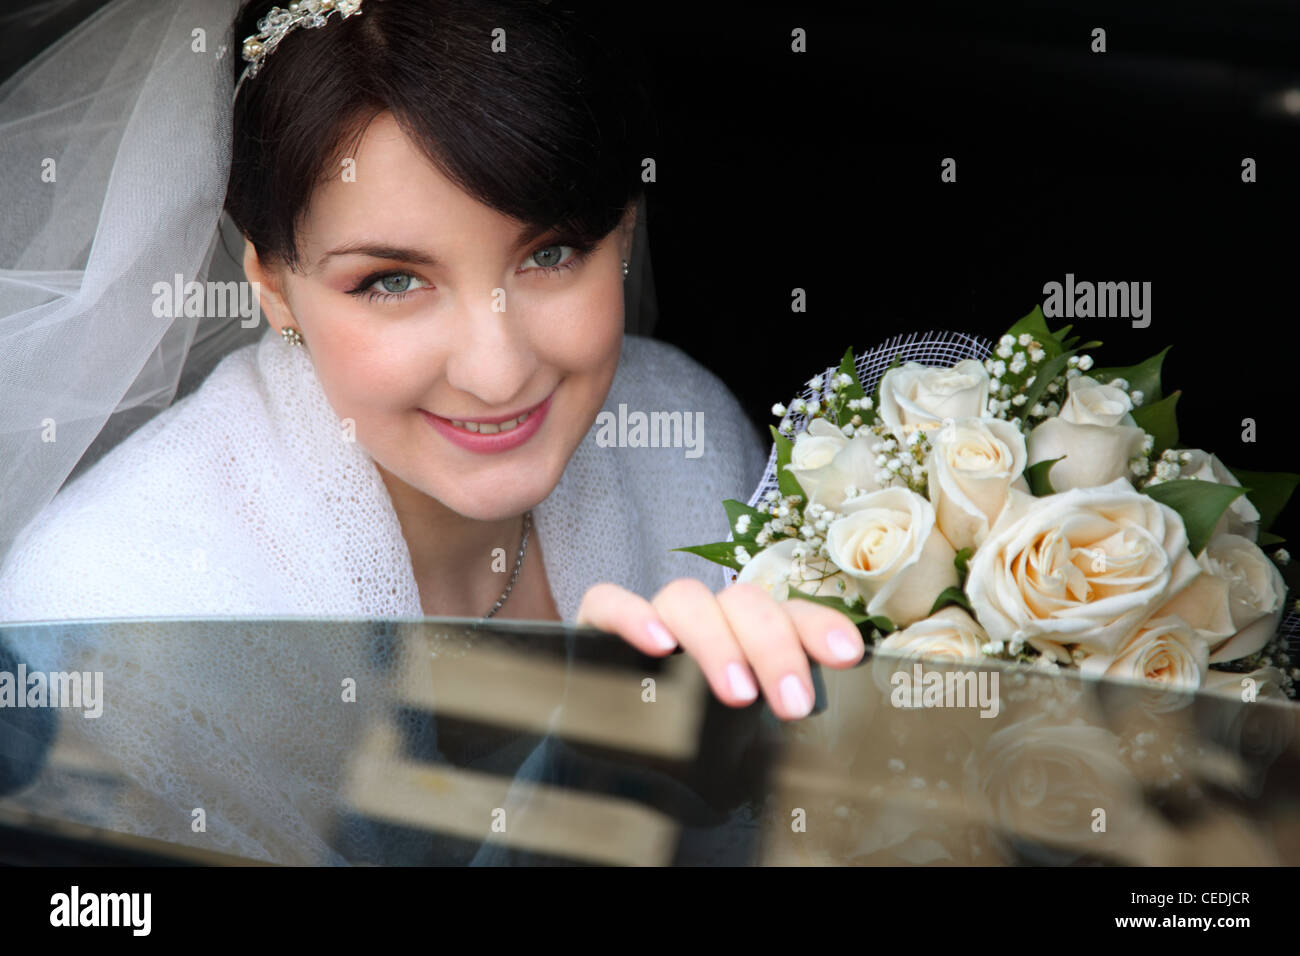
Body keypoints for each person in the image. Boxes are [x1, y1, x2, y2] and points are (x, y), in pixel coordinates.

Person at [0, 0, 865, 726]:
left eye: (552, 254)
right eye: (392, 281)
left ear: (625, 232)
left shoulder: (687, 433)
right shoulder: (107, 609)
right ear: (270, 284)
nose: (496, 373)